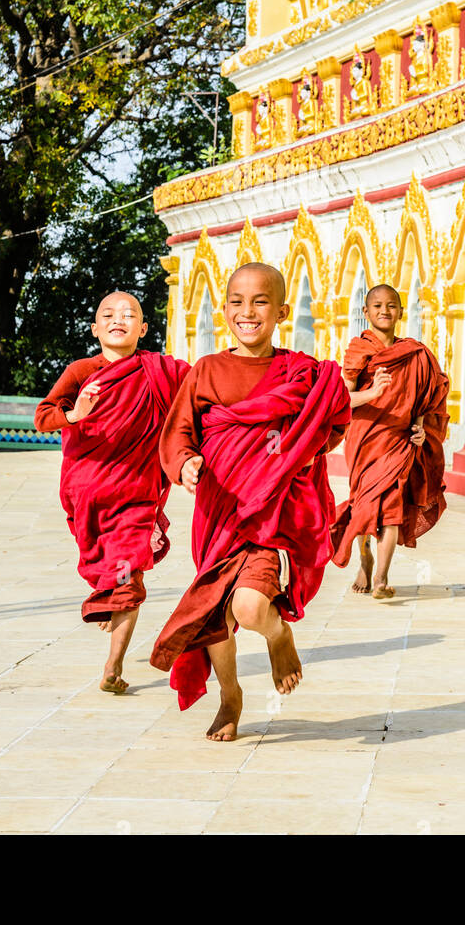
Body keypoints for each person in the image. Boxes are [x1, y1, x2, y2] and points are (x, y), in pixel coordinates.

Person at [150, 263, 350, 741]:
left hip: (268, 514)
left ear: (281, 310)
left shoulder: (301, 373)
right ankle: (229, 694)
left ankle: (278, 635)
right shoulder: (207, 371)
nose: (248, 311)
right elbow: (177, 432)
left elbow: (331, 418)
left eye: (260, 301)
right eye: (237, 302)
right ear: (224, 310)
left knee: (250, 608)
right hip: (218, 509)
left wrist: (298, 455)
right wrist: (184, 464)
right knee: (213, 611)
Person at [35, 292, 188, 694]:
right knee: (110, 566)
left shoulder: (160, 370)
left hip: (137, 491)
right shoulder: (81, 370)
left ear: (144, 329)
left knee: (128, 576)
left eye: (129, 314)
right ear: (95, 328)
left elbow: (202, 392)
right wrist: (74, 414)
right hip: (87, 491)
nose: (118, 319)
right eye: (108, 314)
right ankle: (109, 594)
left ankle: (113, 664)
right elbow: (43, 416)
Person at [331, 283, 449, 599]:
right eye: (378, 306)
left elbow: (427, 395)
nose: (385, 311)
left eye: (391, 305)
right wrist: (372, 393)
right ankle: (365, 558)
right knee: (366, 505)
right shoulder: (358, 350)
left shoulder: (416, 353)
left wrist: (422, 429)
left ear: (400, 311)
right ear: (366, 312)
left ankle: (381, 578)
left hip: (399, 441)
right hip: (366, 440)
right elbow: (341, 398)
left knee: (392, 507)